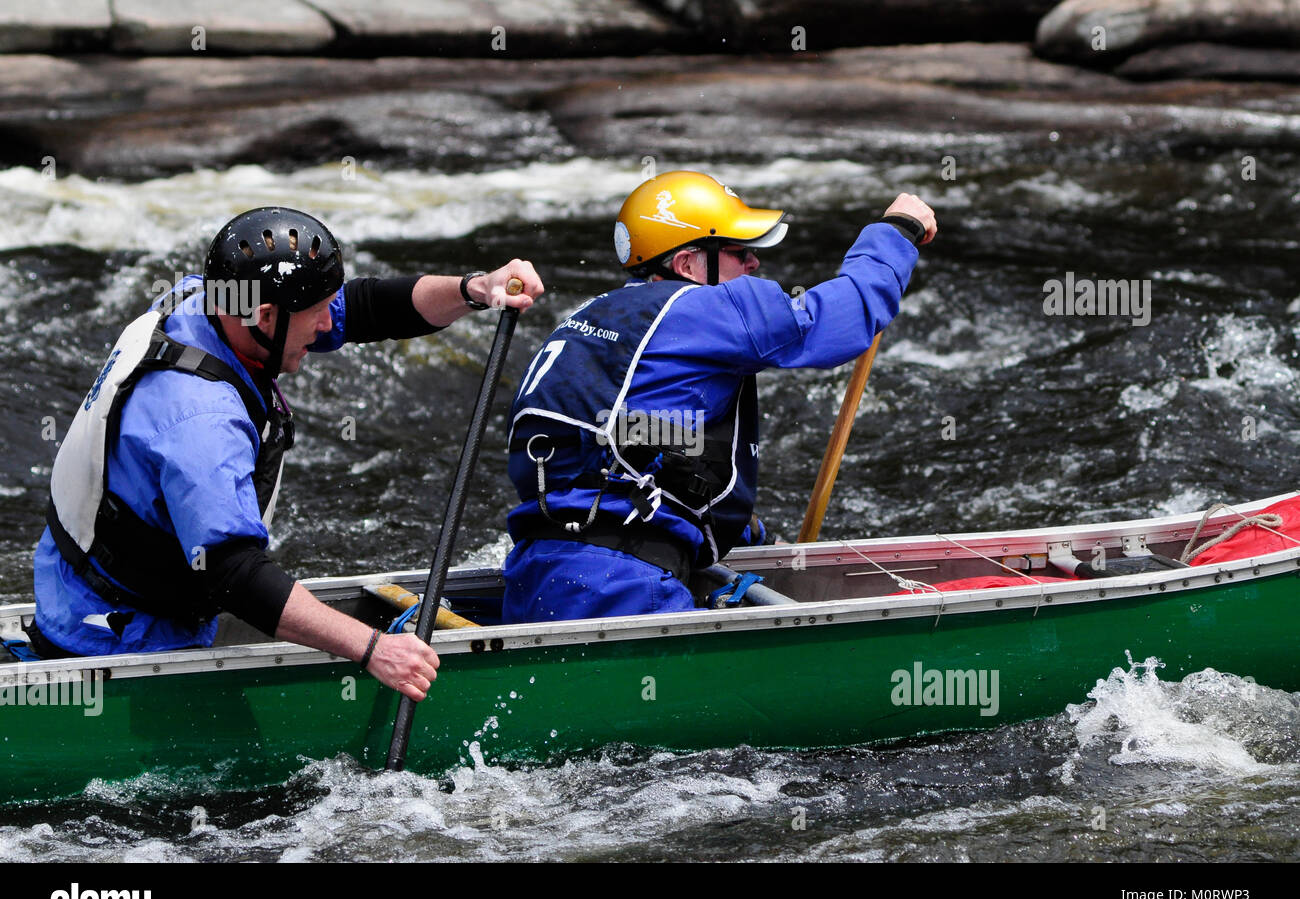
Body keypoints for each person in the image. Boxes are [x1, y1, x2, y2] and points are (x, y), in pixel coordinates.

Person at [32, 206, 544, 701]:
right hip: (117, 635)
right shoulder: (201, 422)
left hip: (80, 582)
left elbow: (366, 307)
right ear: (264, 315)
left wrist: (474, 289)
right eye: (316, 314)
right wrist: (374, 649)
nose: (326, 327)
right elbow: (233, 575)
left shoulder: (207, 300)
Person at [501, 170, 935, 623]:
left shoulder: (595, 319)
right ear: (688, 265)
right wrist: (895, 233)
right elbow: (842, 321)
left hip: (537, 573)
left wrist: (751, 537)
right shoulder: (696, 309)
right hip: (625, 586)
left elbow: (639, 447)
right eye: (738, 251)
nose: (754, 264)